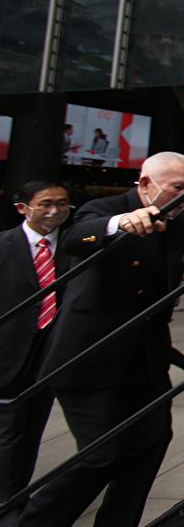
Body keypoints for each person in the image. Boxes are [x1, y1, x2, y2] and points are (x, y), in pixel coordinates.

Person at [20, 152, 184, 527]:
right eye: (178, 189)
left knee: (150, 444)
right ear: (146, 184)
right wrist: (120, 223)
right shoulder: (105, 209)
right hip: (91, 360)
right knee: (102, 454)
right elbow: (75, 237)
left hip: (145, 360)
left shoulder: (180, 225)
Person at [0, 181, 71, 525]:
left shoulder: (74, 247)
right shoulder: (3, 246)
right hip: (8, 354)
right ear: (22, 208)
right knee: (9, 431)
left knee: (32, 428)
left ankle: (18, 492)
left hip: (51, 354)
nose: (54, 210)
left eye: (61, 204)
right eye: (45, 204)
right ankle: (8, 501)